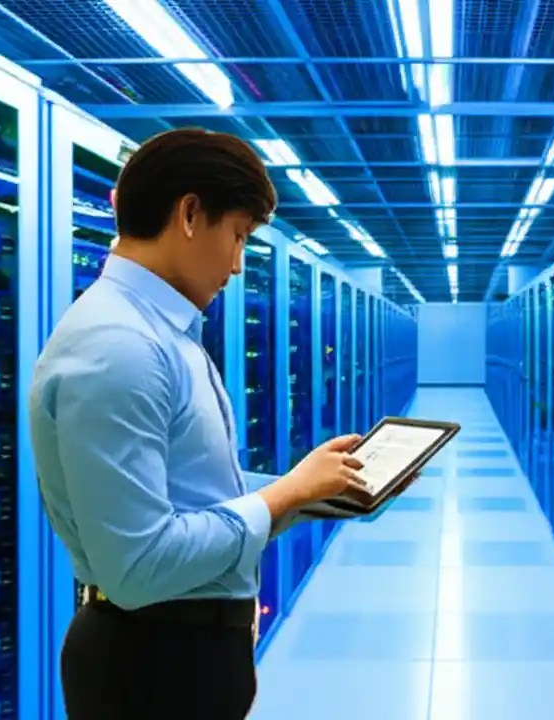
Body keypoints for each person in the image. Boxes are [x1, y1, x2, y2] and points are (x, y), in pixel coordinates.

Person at [28, 128, 413, 719]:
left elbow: (197, 500)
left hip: (181, 652)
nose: (236, 265)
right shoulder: (119, 347)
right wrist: (288, 490)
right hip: (152, 662)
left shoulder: (162, 335)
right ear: (189, 214)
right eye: (237, 236)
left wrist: (323, 490)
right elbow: (137, 567)